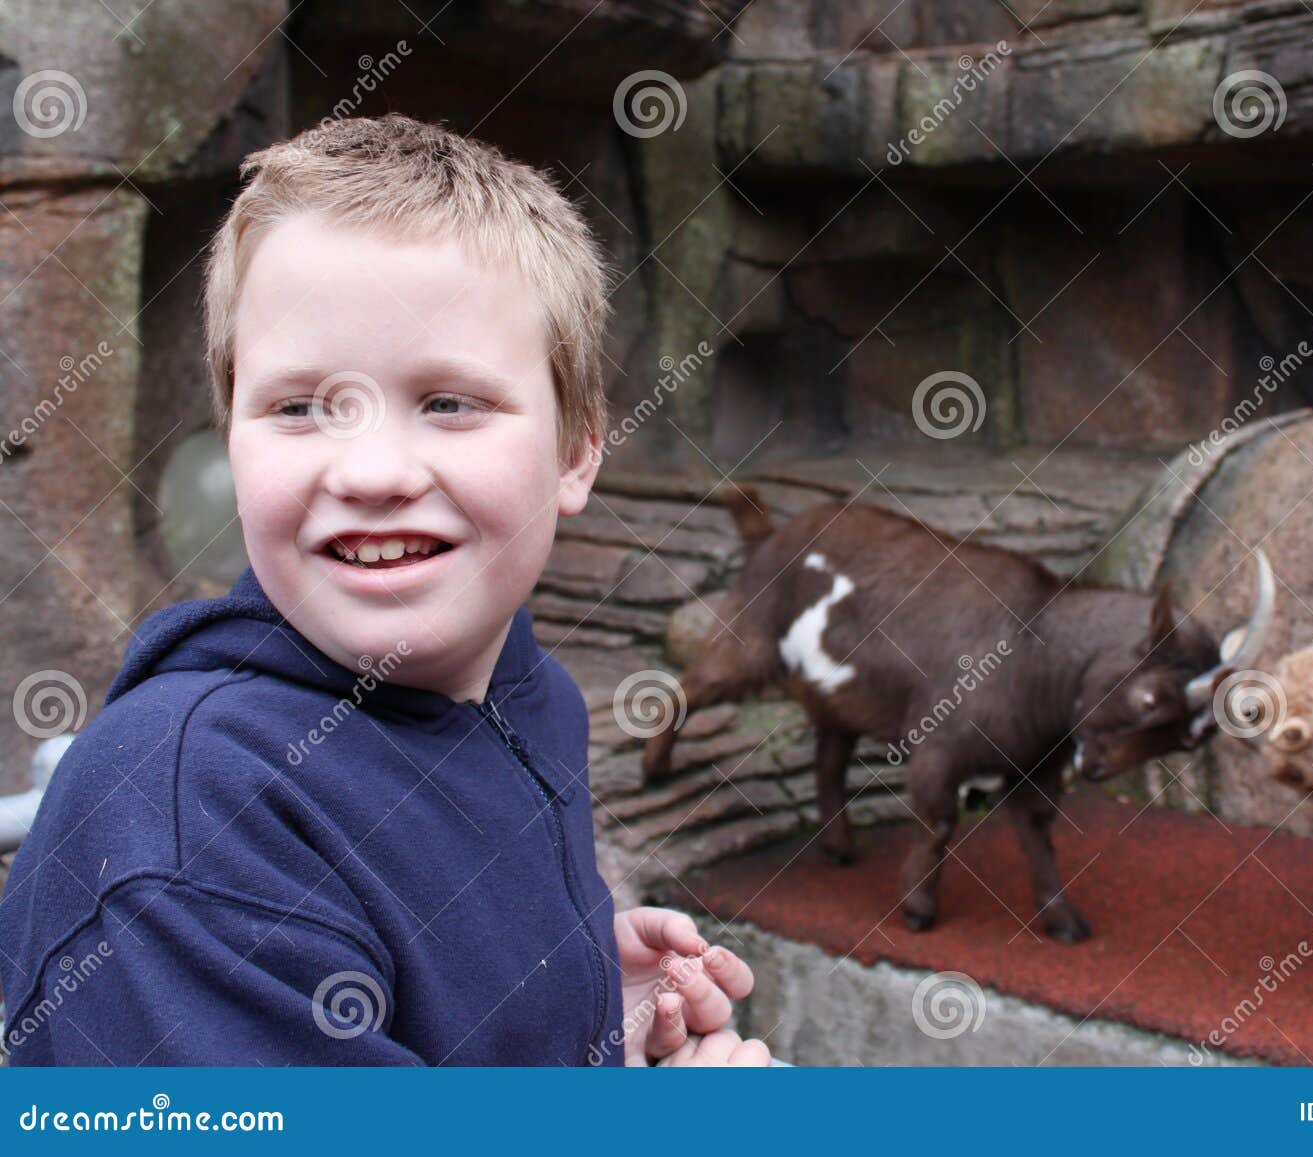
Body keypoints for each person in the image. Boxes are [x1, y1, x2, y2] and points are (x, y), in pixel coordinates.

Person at [0, 114, 769, 1067]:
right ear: (230, 438)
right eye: (299, 406)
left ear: (576, 449)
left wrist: (568, 998)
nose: (370, 472)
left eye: (448, 402)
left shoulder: (534, 694)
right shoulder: (191, 821)